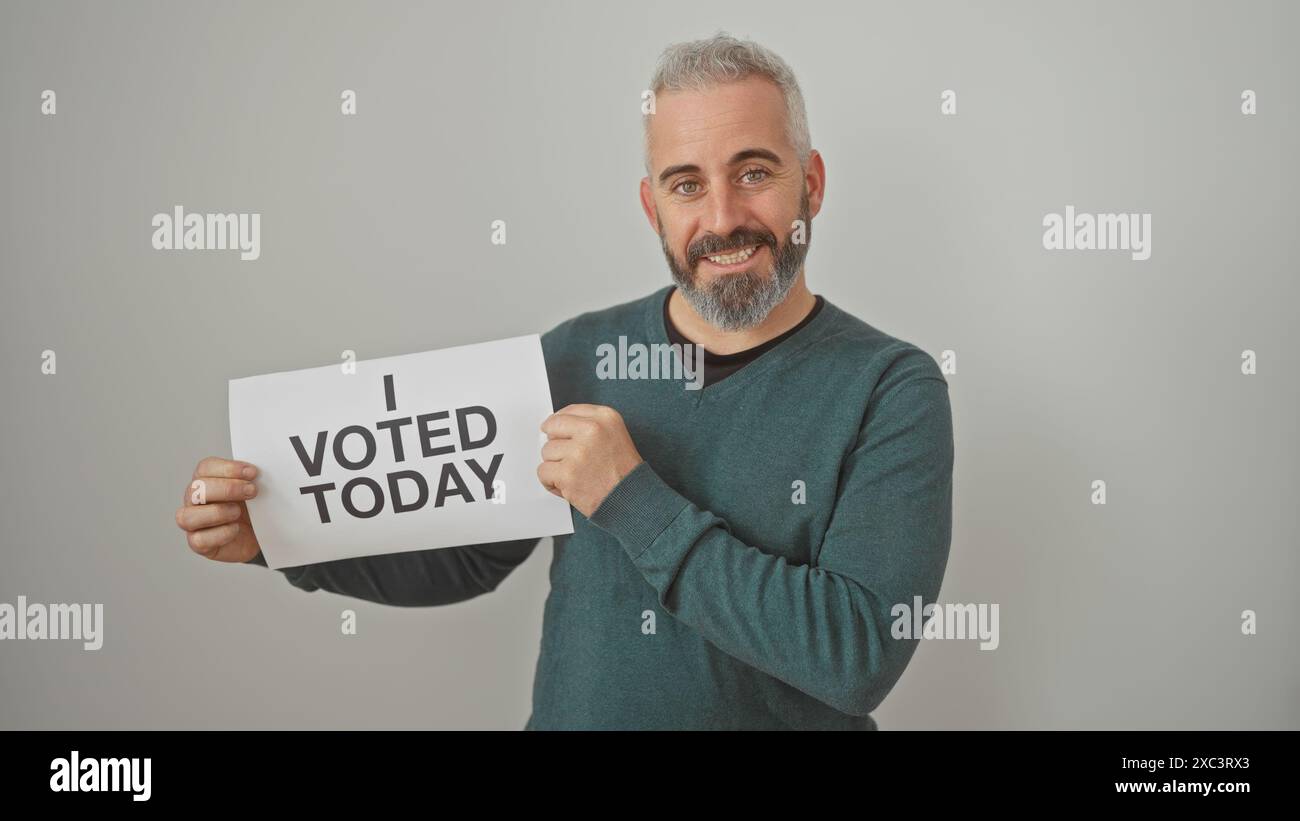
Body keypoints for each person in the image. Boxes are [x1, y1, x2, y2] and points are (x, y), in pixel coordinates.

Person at [174, 32, 954, 730]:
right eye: (686, 184)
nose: (722, 216)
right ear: (652, 206)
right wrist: (285, 541)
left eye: (753, 172)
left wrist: (631, 497)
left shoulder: (892, 387)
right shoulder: (576, 355)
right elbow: (468, 556)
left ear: (810, 184)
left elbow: (855, 658)